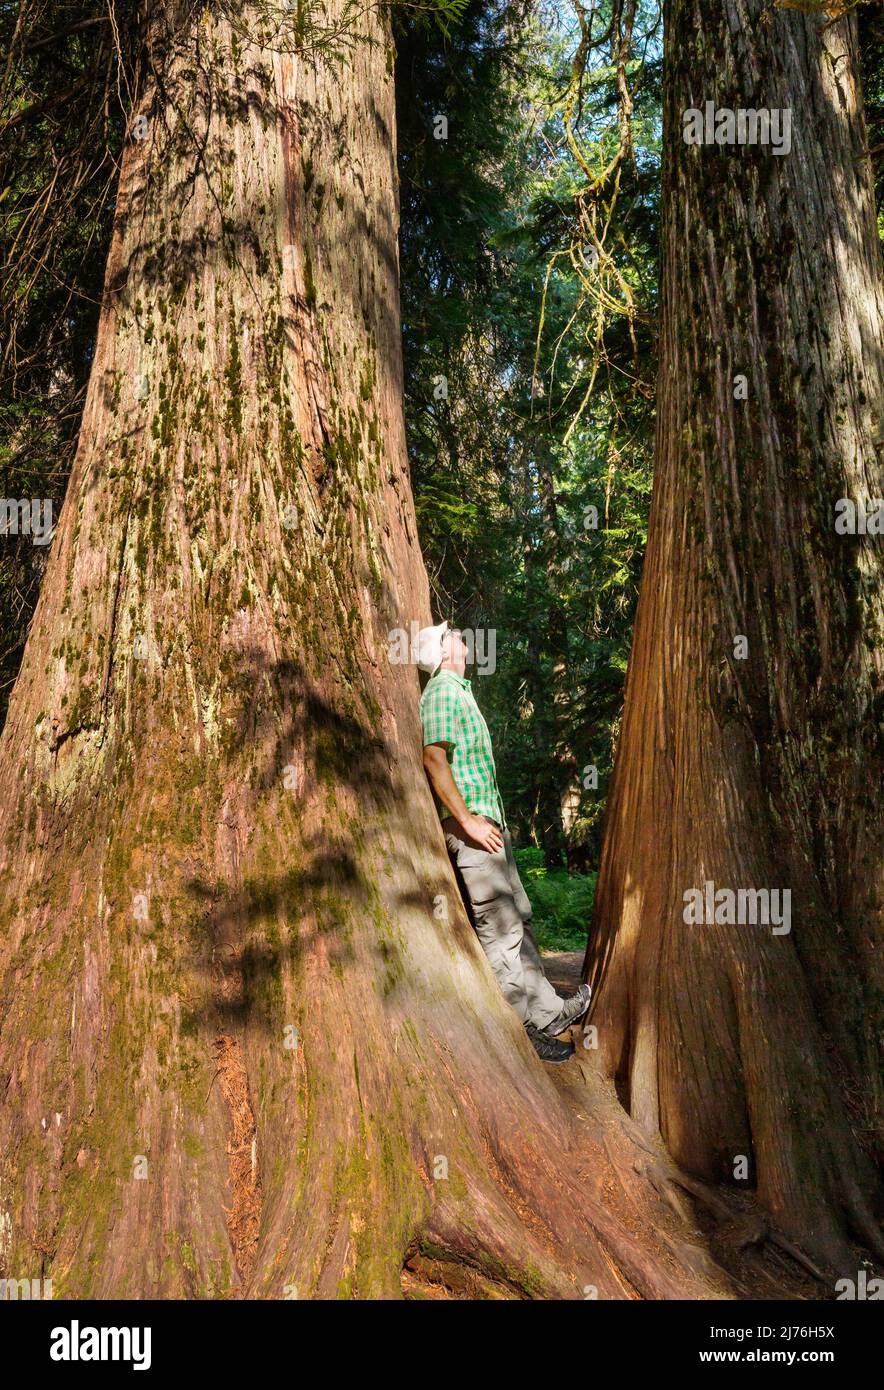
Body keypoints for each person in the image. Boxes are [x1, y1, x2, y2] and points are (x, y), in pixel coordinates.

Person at [417, 620, 590, 1063]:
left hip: (492, 828)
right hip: (474, 832)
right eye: (450, 633)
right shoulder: (440, 691)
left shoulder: (459, 691)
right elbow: (434, 758)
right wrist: (468, 822)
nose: (458, 635)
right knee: (500, 931)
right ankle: (520, 1031)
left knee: (520, 918)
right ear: (441, 651)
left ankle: (549, 1012)